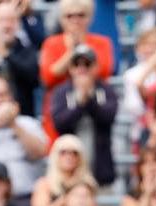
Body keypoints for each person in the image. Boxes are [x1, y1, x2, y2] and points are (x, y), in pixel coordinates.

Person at [47, 46, 119, 187]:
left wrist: (89, 100)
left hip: (100, 172)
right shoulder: (61, 92)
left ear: (96, 67)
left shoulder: (106, 90)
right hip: (68, 174)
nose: (82, 68)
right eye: (77, 64)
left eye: (87, 64)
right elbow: (59, 123)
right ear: (70, 68)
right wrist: (80, 103)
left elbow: (108, 117)